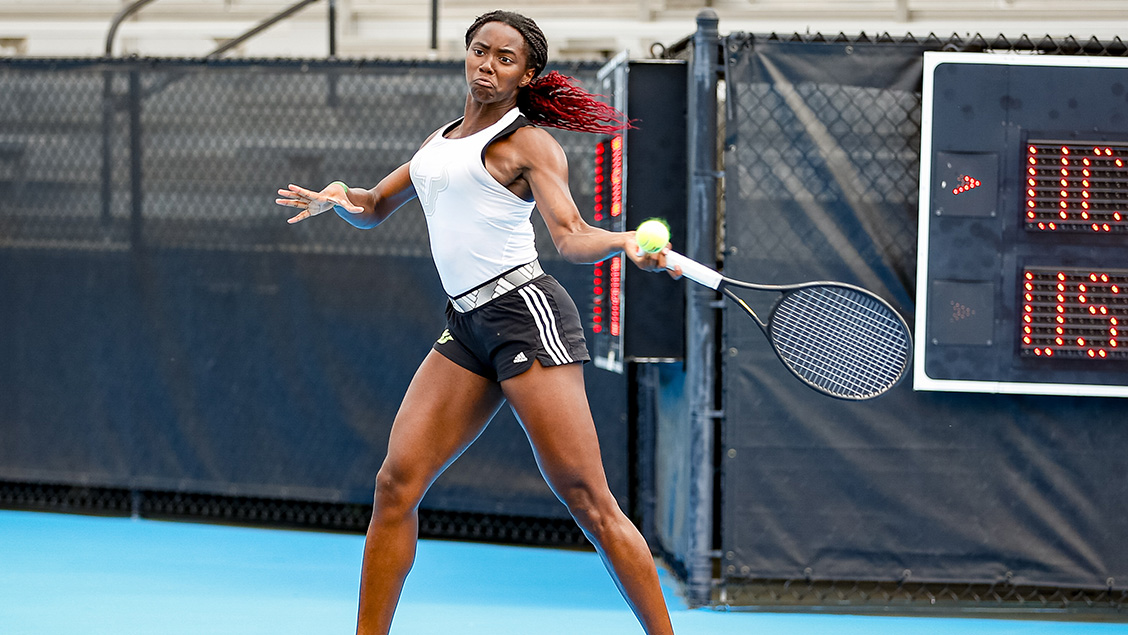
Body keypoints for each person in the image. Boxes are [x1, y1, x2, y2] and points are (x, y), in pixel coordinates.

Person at [276, 10, 679, 634]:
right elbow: (376, 207)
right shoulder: (439, 142)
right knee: (395, 484)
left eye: (505, 58)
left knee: (588, 501)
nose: (487, 65)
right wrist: (339, 198)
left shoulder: (529, 144)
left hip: (526, 316)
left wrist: (626, 241)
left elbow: (569, 237)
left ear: (527, 74)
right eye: (479, 51)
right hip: (467, 325)